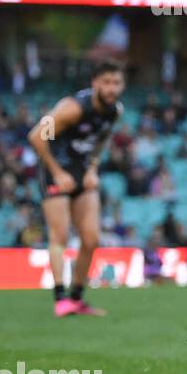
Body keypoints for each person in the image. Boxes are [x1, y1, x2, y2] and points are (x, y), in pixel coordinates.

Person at [27, 60, 125, 316]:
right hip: (54, 170)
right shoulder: (71, 109)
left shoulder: (115, 111)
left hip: (82, 172)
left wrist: (92, 168)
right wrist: (58, 173)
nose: (112, 88)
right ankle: (60, 300)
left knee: (91, 239)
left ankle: (77, 298)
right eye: (106, 82)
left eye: (116, 83)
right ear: (94, 83)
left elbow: (101, 140)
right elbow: (37, 136)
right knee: (59, 237)